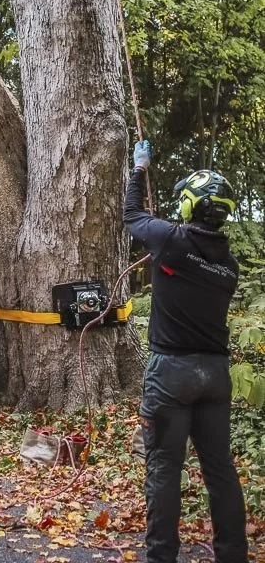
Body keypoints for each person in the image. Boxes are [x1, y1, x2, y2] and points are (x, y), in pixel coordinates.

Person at [124, 141, 248, 563]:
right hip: (214, 375)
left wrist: (139, 169)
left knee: (164, 469)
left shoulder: (170, 240)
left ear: (191, 205)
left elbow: (132, 216)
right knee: (220, 470)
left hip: (171, 374)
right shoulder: (229, 266)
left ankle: (162, 558)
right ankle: (233, 555)